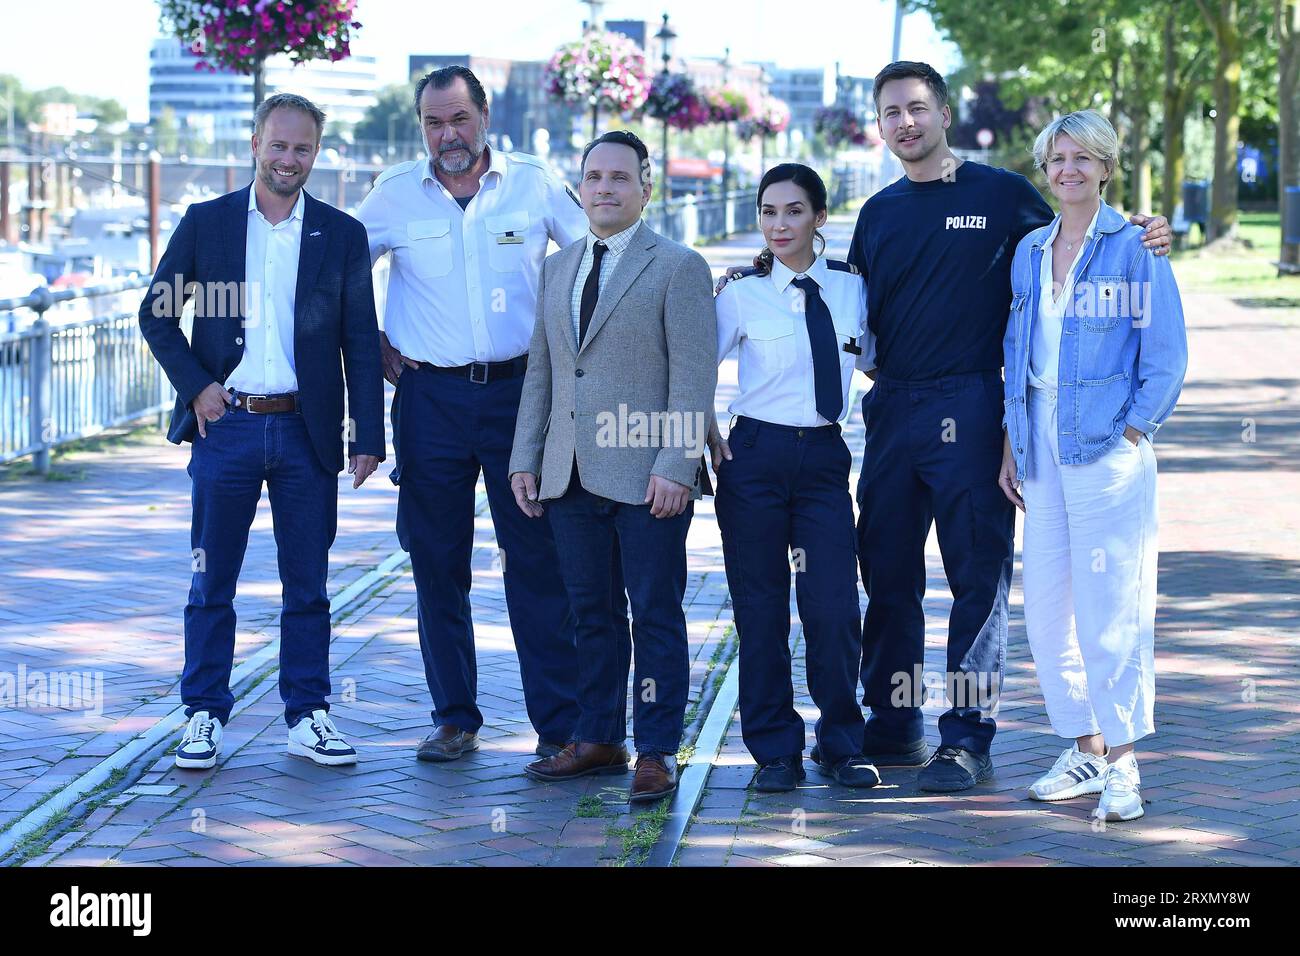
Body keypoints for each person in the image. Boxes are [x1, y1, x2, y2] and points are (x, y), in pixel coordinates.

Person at [845, 61, 1172, 792]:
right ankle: (893, 724)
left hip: (974, 405)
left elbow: (1083, 228)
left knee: (976, 580)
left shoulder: (1001, 195)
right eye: (891, 111)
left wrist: (1151, 229)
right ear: (880, 123)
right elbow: (849, 318)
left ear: (945, 114)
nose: (905, 122)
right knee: (889, 573)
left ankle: (965, 739)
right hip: (892, 408)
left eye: (918, 108)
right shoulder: (877, 214)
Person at [138, 93, 385, 770]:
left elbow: (359, 340)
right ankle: (202, 716)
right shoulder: (207, 223)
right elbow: (156, 316)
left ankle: (308, 714)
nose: (289, 159)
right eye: (278, 145)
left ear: (315, 153)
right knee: (210, 581)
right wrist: (197, 387)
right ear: (255, 144)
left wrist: (368, 434)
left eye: (302, 148)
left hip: (306, 434)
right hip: (229, 430)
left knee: (307, 584)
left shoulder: (341, 234)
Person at [356, 66, 591, 763]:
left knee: (536, 560)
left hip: (521, 396)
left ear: (484, 115)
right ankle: (455, 717)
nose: (447, 135)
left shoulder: (536, 183)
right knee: (436, 560)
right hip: (429, 401)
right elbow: (337, 273)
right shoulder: (394, 194)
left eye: (459, 119)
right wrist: (367, 341)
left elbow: (592, 261)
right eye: (433, 123)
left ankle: (560, 726)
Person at [509, 130, 717, 803]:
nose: (605, 188)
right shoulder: (557, 266)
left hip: (647, 474)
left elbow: (693, 375)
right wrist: (525, 457)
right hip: (567, 472)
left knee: (655, 612)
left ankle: (656, 750)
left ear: (646, 188)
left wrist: (677, 465)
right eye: (594, 176)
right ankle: (598, 736)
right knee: (589, 612)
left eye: (620, 177)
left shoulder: (678, 266)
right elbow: (543, 369)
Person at [1000, 110, 1186, 822]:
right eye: (1057, 158)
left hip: (1108, 444)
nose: (1068, 169)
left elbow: (1165, 353)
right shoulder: (1028, 251)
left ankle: (1125, 765)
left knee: (1113, 613)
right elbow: (1017, 356)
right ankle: (1084, 746)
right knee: (1047, 614)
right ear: (1045, 169)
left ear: (1107, 167)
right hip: (1040, 445)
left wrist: (1134, 432)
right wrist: (1013, 441)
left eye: (1083, 157)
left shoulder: (1138, 245)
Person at [709, 164, 880, 792]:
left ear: (819, 217)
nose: (780, 224)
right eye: (769, 212)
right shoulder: (739, 294)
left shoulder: (854, 290)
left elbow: (877, 361)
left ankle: (840, 742)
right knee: (761, 610)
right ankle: (774, 751)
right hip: (753, 459)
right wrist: (704, 424)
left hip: (823, 461)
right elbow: (695, 362)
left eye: (793, 211)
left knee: (833, 605)